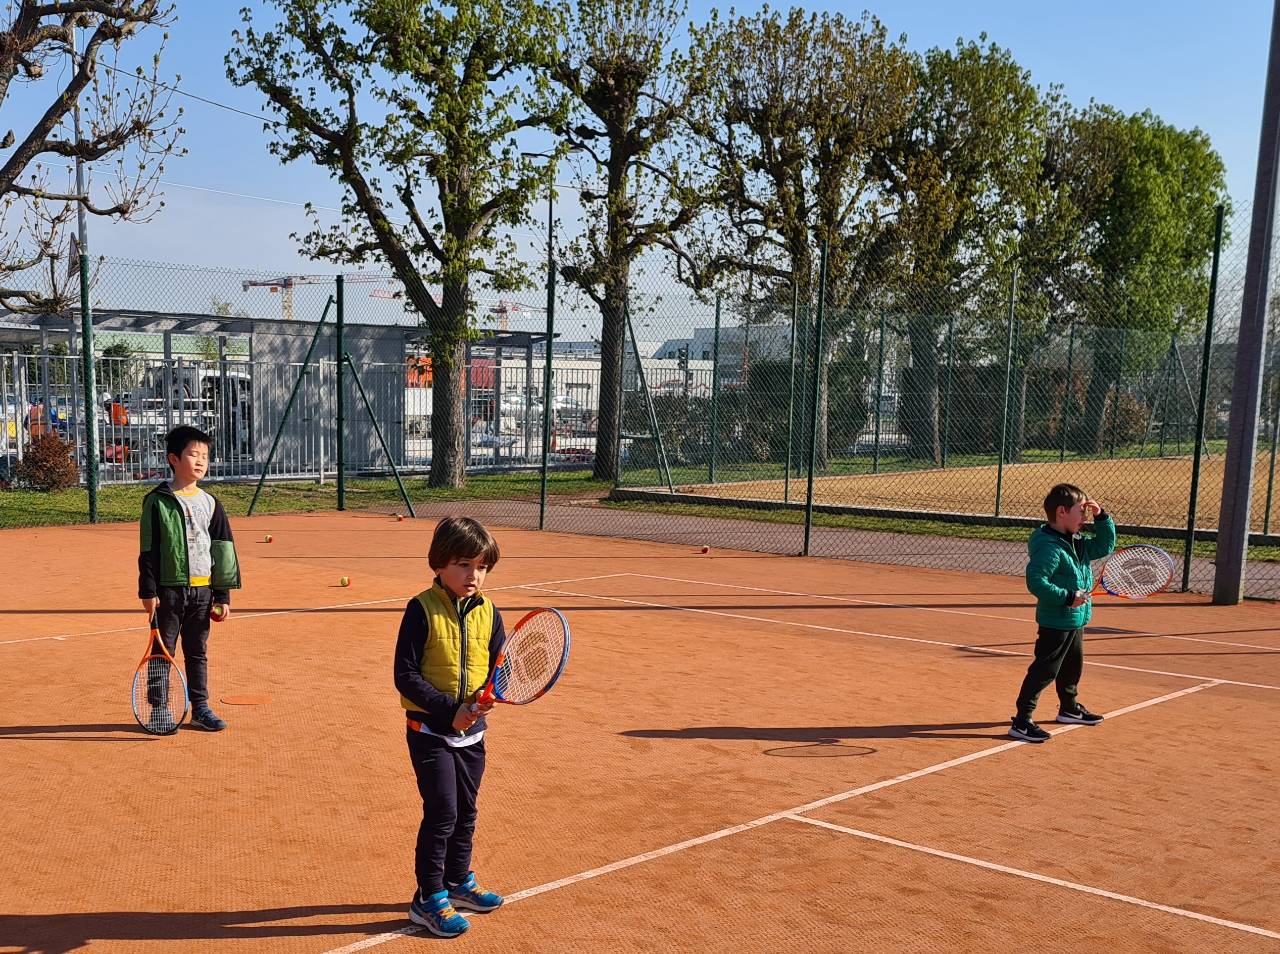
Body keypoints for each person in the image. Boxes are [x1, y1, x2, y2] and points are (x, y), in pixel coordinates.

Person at [394, 516, 507, 938]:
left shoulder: (490, 612)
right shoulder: (420, 609)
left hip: (472, 736)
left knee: (467, 812)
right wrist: (449, 710)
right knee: (442, 811)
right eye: (463, 564)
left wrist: (487, 696)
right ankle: (428, 898)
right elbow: (405, 676)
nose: (473, 574)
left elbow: (501, 667)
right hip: (429, 733)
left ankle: (458, 882)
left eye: (481, 566)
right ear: (439, 564)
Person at [138, 424, 241, 732]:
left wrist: (222, 595)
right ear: (173, 458)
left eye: (205, 456)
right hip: (169, 594)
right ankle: (159, 710)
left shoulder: (211, 503)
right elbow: (148, 550)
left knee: (198, 653)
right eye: (193, 454)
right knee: (162, 653)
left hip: (202, 594)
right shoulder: (156, 502)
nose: (200, 461)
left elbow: (223, 551)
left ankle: (200, 708)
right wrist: (148, 590)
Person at [1009, 482, 1116, 743]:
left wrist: (1103, 518)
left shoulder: (1076, 542)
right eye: (1081, 512)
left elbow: (1104, 547)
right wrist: (1068, 597)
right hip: (1056, 621)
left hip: (1076, 619)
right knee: (1045, 670)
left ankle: (1069, 708)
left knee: (1072, 667)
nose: (1085, 518)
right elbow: (1037, 582)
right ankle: (1022, 721)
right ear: (1061, 513)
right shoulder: (1050, 547)